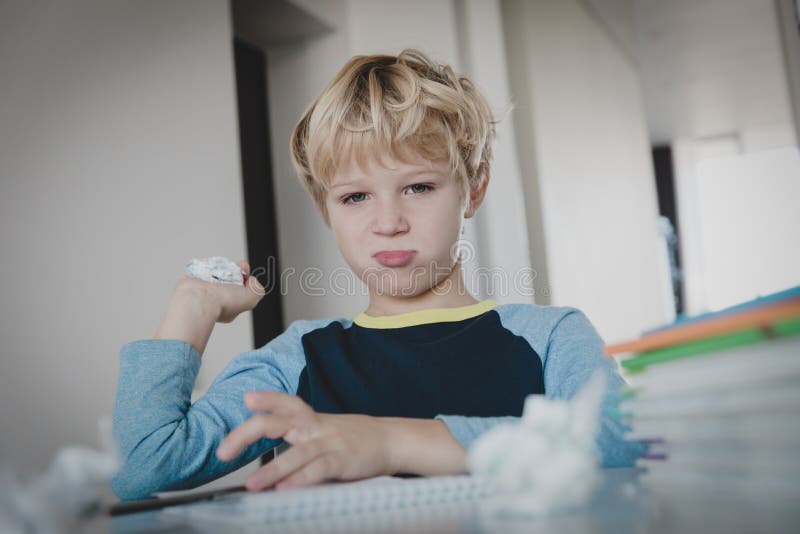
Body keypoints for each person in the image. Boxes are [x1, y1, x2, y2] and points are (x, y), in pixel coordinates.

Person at [110, 49, 644, 500]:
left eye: (418, 187)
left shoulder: (551, 336)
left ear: (473, 188)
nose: (388, 223)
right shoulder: (295, 360)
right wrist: (191, 308)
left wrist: (389, 443)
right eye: (355, 196)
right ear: (327, 210)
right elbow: (145, 468)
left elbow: (621, 441)